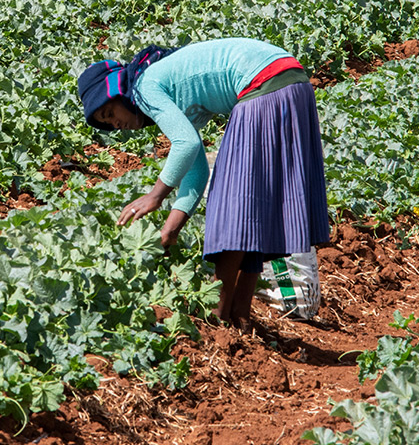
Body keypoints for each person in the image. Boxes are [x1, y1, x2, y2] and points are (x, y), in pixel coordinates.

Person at [76, 38, 330, 326]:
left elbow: (184, 144)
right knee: (257, 203)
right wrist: (171, 229)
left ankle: (217, 318)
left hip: (263, 82)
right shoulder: (172, 88)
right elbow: (196, 169)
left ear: (120, 94)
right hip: (292, 81)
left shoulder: (144, 87)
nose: (115, 124)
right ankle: (240, 315)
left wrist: (155, 196)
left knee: (232, 202)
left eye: (110, 113)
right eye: (107, 124)